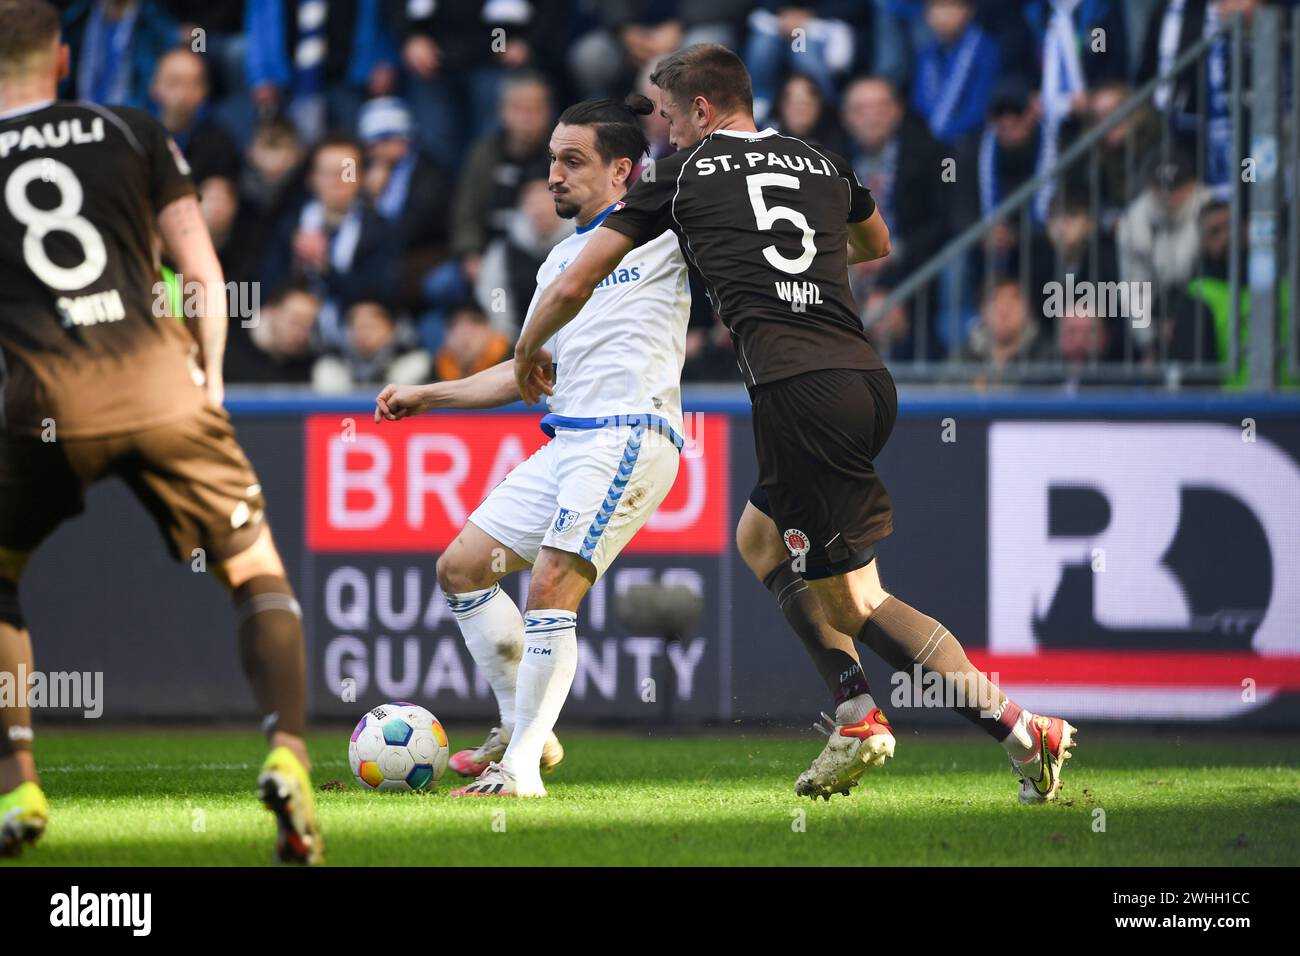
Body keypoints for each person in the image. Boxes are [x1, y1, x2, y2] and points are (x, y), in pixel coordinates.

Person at [513, 43, 1078, 804]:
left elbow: (579, 276)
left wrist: (524, 349)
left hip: (796, 392)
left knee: (857, 601)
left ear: (704, 111)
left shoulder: (682, 174)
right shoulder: (818, 160)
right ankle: (853, 704)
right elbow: (876, 245)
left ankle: (1018, 729)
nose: (669, 134)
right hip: (862, 375)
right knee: (758, 537)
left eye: (675, 118)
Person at [0, 0, 322, 862]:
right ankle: (288, 756)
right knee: (254, 567)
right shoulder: (130, 127)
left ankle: (16, 779)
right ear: (62, 60)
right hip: (159, 384)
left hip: (40, 404)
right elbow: (202, 269)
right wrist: (210, 380)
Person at [374, 95, 690, 799]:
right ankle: (529, 728)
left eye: (572, 160)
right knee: (460, 569)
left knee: (550, 587)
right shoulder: (558, 264)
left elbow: (704, 167)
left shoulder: (667, 234)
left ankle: (518, 767)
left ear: (623, 172)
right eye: (550, 159)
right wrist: (426, 394)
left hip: (629, 435)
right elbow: (526, 373)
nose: (553, 175)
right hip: (569, 439)